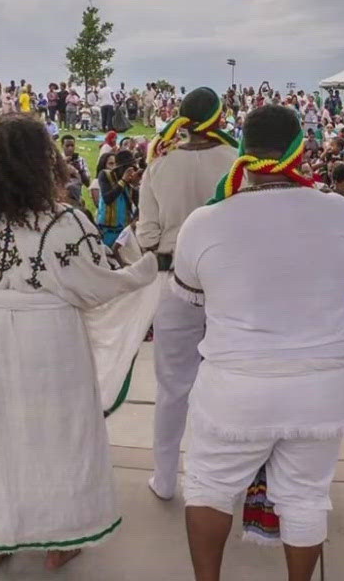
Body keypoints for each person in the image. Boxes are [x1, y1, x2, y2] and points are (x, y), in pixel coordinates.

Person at [0, 115, 161, 571]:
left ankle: (1, 539)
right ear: (43, 164)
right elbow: (95, 286)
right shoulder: (67, 221)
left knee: (5, 437)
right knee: (61, 437)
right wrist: (145, 271)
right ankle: (62, 540)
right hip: (54, 341)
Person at [172, 105, 344, 581]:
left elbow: (190, 294)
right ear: (299, 151)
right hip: (323, 389)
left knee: (208, 487)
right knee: (305, 496)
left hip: (236, 389)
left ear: (243, 151)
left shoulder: (206, 221)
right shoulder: (342, 211)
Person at [133, 87, 240, 502]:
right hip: (226, 283)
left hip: (172, 280)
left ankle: (165, 478)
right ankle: (222, 478)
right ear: (218, 118)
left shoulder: (159, 166)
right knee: (228, 381)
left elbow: (148, 233)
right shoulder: (234, 163)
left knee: (172, 386)